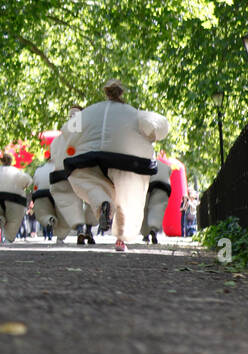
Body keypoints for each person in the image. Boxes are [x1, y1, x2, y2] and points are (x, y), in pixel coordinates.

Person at [62, 79, 170, 252]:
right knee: (127, 201)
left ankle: (103, 202)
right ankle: (121, 238)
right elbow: (159, 125)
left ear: (106, 93)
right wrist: (151, 137)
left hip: (90, 156)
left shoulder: (89, 112)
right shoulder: (135, 114)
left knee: (87, 181)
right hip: (127, 159)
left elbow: (68, 130)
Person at [48, 106, 95, 244]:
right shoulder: (89, 134)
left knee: (69, 202)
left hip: (61, 174)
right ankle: (89, 229)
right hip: (83, 172)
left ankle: (79, 227)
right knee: (93, 198)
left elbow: (54, 158)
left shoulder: (57, 140)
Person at [141, 154, 173, 244]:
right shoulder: (166, 166)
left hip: (150, 184)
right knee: (158, 207)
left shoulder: (147, 162)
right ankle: (153, 229)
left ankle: (145, 234)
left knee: (145, 209)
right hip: (164, 186)